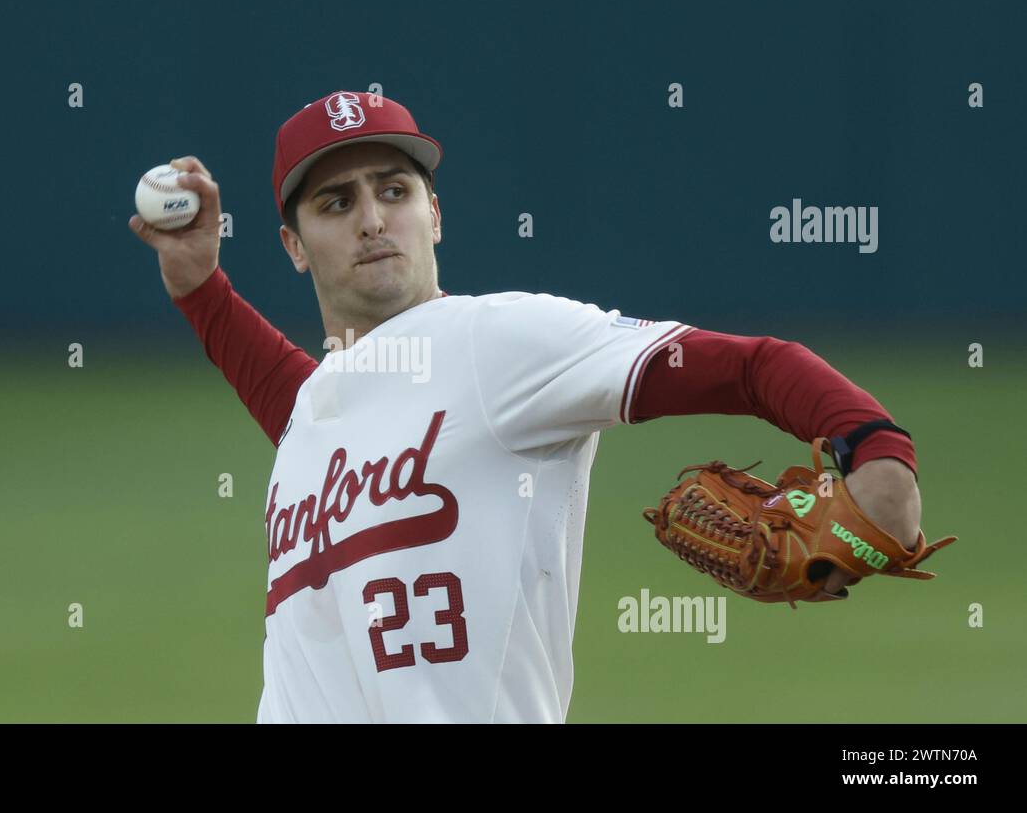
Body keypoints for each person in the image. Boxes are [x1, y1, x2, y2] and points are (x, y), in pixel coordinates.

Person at [128, 90, 923, 723]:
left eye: (395, 190)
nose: (373, 219)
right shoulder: (316, 411)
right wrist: (201, 289)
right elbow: (308, 410)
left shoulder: (501, 342)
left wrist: (879, 448)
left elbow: (750, 366)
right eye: (335, 204)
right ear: (294, 246)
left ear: (434, 214)